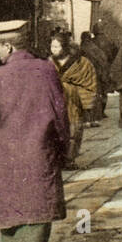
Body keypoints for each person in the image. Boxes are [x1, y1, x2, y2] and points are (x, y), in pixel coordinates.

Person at [0, 20, 69, 242]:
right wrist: (63, 142)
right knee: (37, 204)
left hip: (2, 151)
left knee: (8, 203)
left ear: (7, 45)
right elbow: (59, 110)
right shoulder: (46, 69)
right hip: (37, 148)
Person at [49, 30, 99, 165]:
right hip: (55, 101)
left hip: (73, 101)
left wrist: (86, 102)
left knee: (73, 130)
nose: (54, 50)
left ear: (65, 47)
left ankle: (70, 159)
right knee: (55, 130)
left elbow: (89, 81)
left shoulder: (81, 62)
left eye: (57, 46)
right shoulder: (48, 63)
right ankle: (58, 158)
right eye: (52, 47)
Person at [79, 31, 110, 126]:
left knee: (85, 96)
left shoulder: (82, 48)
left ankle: (87, 119)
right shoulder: (95, 47)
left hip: (85, 75)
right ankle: (97, 117)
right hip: (97, 74)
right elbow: (104, 59)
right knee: (97, 95)